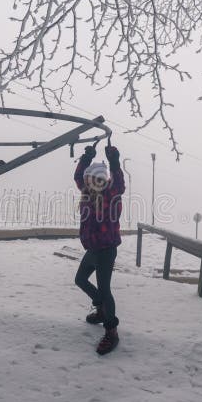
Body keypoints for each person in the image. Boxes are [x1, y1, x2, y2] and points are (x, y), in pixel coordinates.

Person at [73, 142, 125, 355]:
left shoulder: (110, 195)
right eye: (88, 178)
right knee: (80, 280)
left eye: (93, 178)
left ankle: (111, 330)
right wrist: (86, 158)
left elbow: (119, 184)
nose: (88, 181)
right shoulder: (86, 193)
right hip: (92, 250)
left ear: (101, 180)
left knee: (105, 290)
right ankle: (102, 309)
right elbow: (78, 177)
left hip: (106, 251)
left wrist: (114, 161)